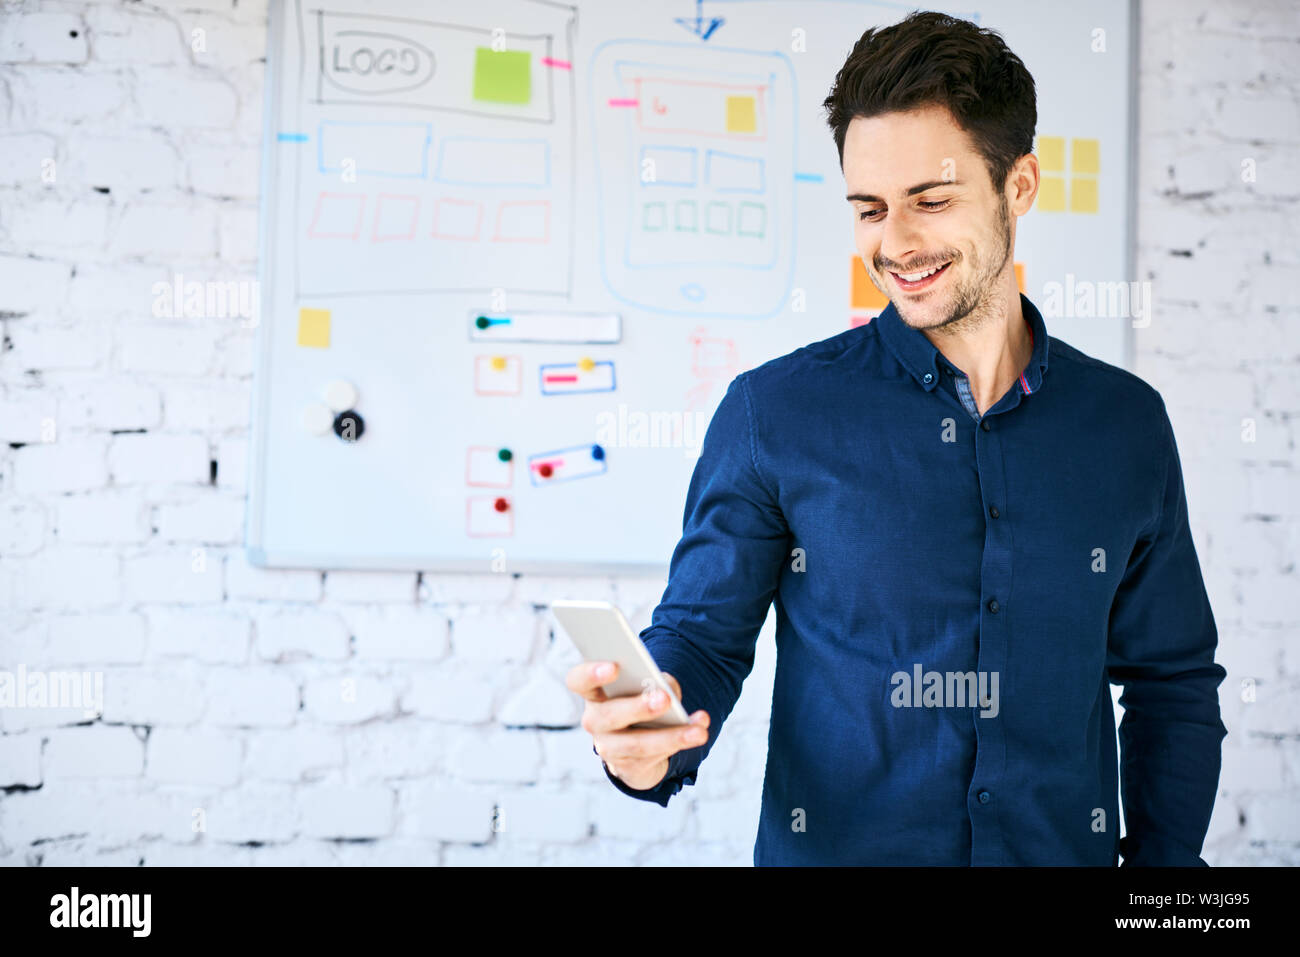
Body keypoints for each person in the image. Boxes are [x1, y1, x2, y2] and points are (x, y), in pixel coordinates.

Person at [567, 10, 1227, 866]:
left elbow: (1172, 683)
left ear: (1019, 185)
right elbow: (699, 637)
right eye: (870, 208)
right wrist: (643, 737)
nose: (897, 242)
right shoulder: (774, 414)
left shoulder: (1126, 425)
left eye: (932, 200)